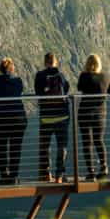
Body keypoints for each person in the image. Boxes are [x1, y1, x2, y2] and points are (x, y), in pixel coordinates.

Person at [0, 57, 27, 185]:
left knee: (1, 147)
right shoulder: (18, 81)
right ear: (12, 68)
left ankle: (4, 175)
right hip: (19, 118)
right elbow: (19, 91)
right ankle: (13, 176)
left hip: (2, 118)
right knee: (15, 147)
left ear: (1, 69)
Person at [77, 54, 110, 181]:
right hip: (100, 114)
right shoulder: (106, 76)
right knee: (99, 140)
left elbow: (79, 87)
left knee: (87, 142)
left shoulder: (84, 76)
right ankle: (104, 167)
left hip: (85, 113)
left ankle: (91, 172)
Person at [34, 52, 70, 183]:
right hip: (62, 116)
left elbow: (38, 92)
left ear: (45, 63)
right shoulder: (61, 75)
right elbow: (66, 90)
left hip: (46, 117)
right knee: (62, 146)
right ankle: (59, 175)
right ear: (56, 62)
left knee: (45, 145)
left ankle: (46, 174)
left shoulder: (39, 76)